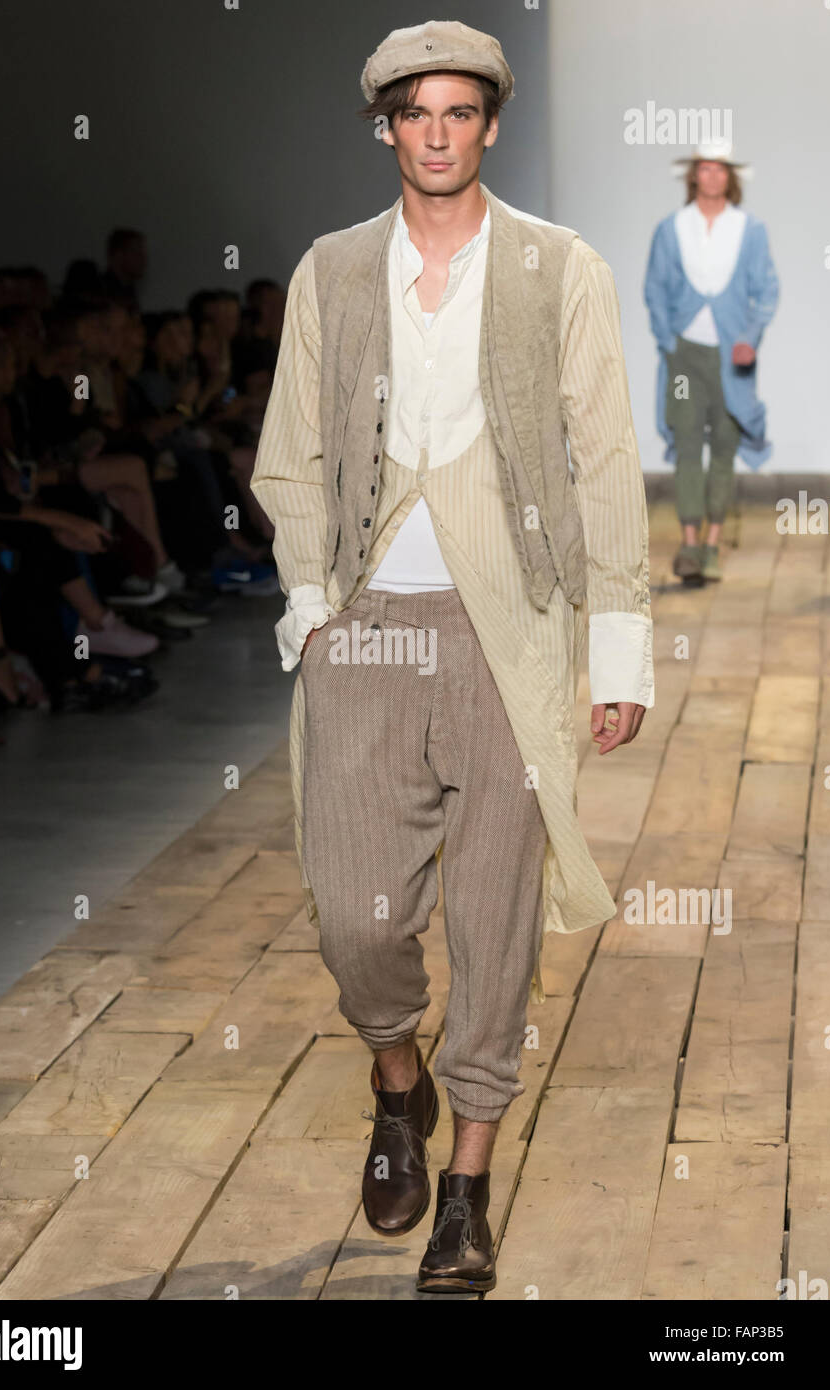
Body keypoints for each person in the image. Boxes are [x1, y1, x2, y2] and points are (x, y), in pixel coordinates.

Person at [250, 19, 654, 1293]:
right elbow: (293, 454)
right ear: (387, 128)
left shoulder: (558, 267)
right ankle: (395, 1074)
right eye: (415, 113)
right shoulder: (331, 271)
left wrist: (619, 648)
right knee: (356, 915)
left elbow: (604, 456)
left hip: (512, 630)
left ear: (489, 125)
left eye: (459, 113)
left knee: (495, 917)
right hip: (362, 629)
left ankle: (466, 1189)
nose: (436, 134)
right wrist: (312, 608)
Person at [644, 139, 779, 583]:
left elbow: (767, 289)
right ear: (694, 175)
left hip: (731, 355)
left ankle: (713, 544)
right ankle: (687, 543)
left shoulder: (750, 230)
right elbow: (655, 288)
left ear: (730, 177)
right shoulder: (672, 228)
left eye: (721, 169)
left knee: (724, 444)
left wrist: (750, 338)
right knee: (687, 442)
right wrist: (668, 341)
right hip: (685, 354)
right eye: (705, 168)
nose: (713, 177)